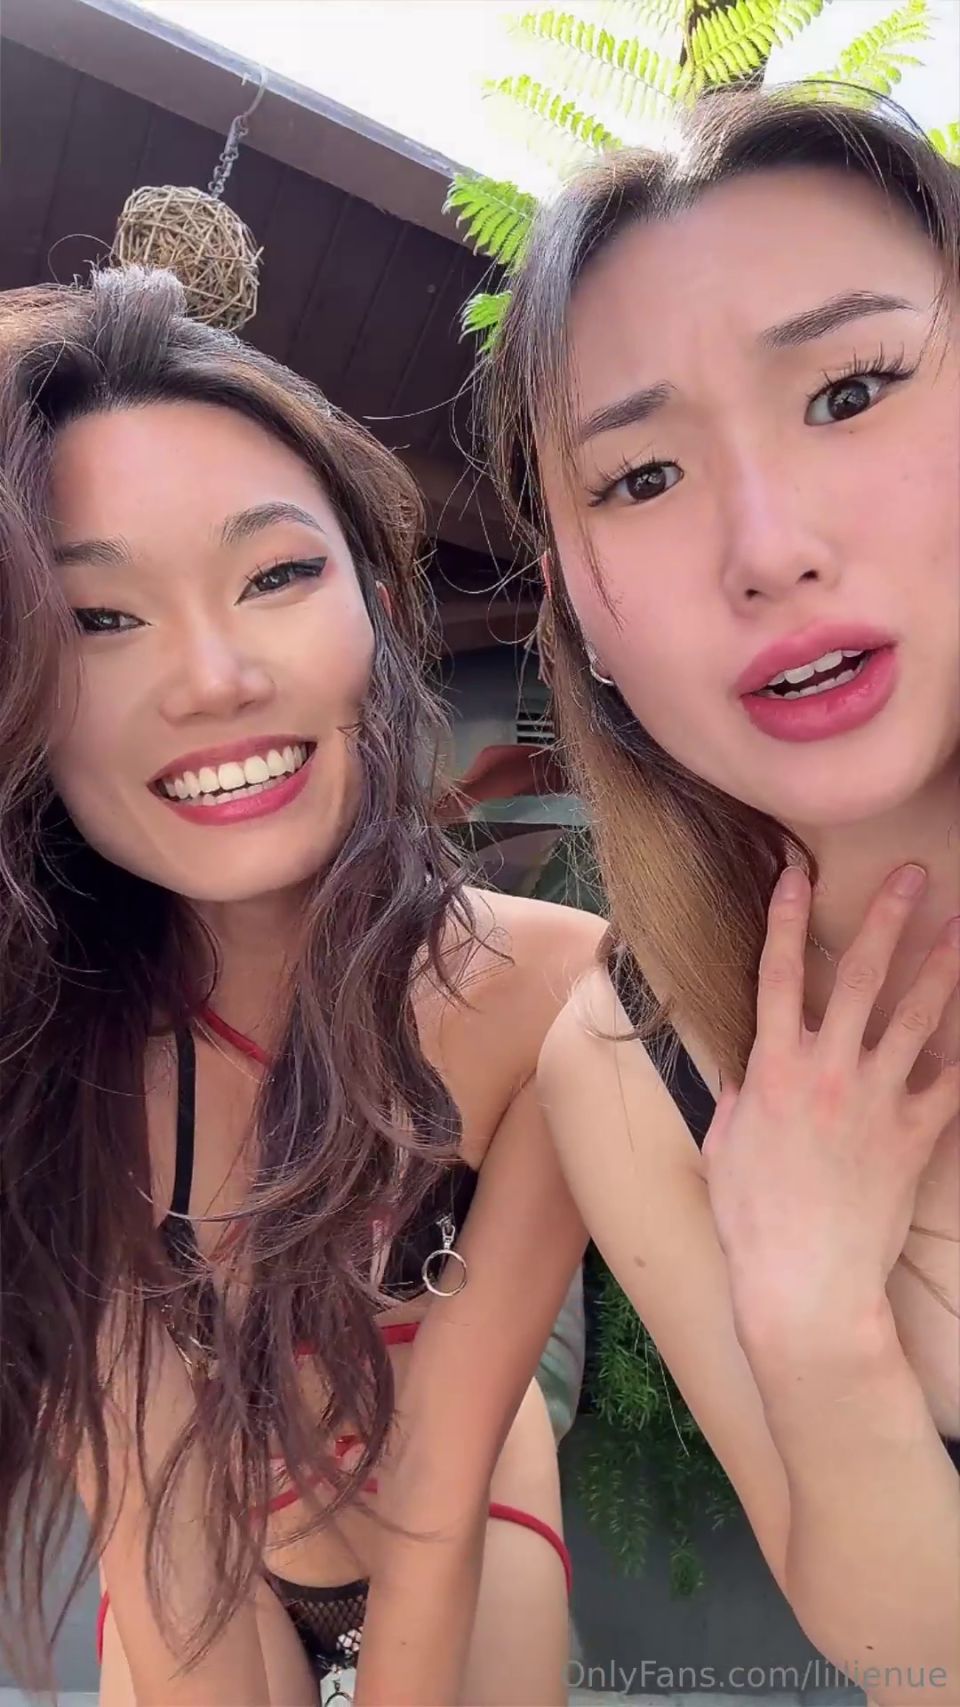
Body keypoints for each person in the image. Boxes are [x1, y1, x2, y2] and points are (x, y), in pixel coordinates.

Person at [359, 90, 960, 1706]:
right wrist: (816, 1324)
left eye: (851, 390)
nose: (768, 547)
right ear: (581, 616)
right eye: (639, 477)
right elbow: (914, 1658)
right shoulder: (630, 1062)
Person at [0, 267, 602, 1705]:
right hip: (189, 1530)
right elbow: (148, 1498)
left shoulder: (548, 989)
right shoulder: (43, 1050)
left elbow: (450, 1474)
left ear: (379, 610)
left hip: (472, 1513)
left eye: (276, 577)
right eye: (98, 620)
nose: (213, 680)